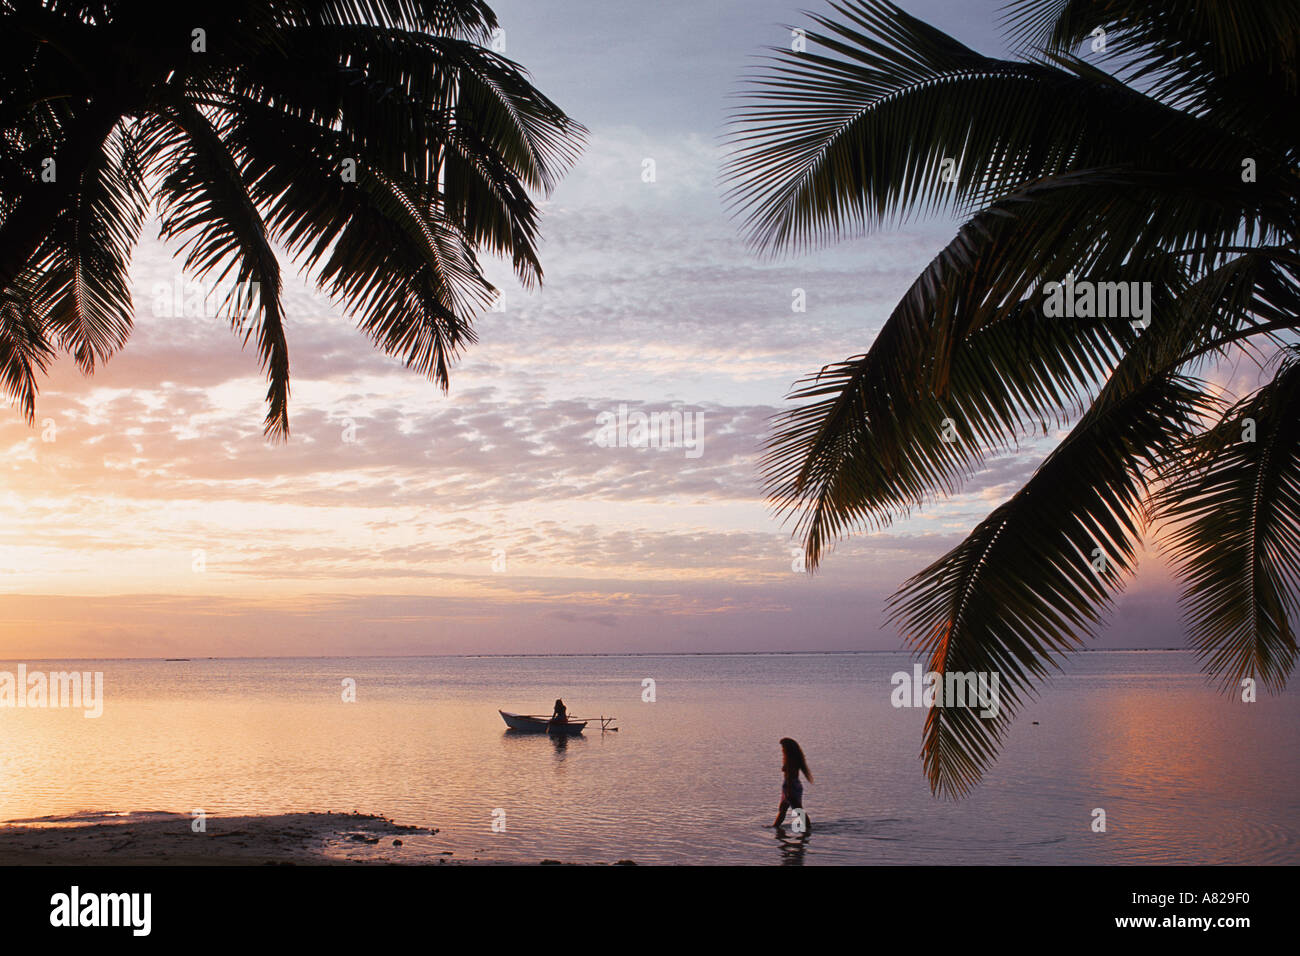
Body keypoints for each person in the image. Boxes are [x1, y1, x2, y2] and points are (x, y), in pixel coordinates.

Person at [772, 737, 813, 829]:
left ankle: (808, 827)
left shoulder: (791, 760)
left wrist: (789, 791)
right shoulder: (789, 759)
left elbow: (790, 776)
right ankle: (775, 827)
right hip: (788, 785)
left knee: (798, 809)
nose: (782, 750)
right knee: (782, 809)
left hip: (791, 786)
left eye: (783, 748)